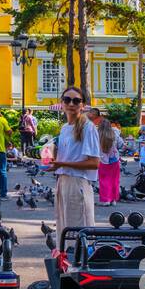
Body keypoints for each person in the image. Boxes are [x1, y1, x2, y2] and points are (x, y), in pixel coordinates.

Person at [51, 87, 101, 232]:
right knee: (64, 226)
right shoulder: (65, 128)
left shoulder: (88, 127)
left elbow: (94, 163)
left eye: (76, 100)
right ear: (62, 103)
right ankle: (64, 254)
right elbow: (66, 157)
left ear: (83, 105)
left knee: (77, 229)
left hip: (77, 182)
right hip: (63, 181)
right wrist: (55, 165)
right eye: (67, 100)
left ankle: (76, 255)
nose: (71, 104)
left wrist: (61, 164)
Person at [97, 115, 121, 206]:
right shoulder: (115, 132)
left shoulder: (97, 134)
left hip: (102, 160)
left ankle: (106, 199)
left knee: (104, 180)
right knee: (114, 180)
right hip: (114, 159)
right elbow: (121, 144)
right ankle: (113, 200)